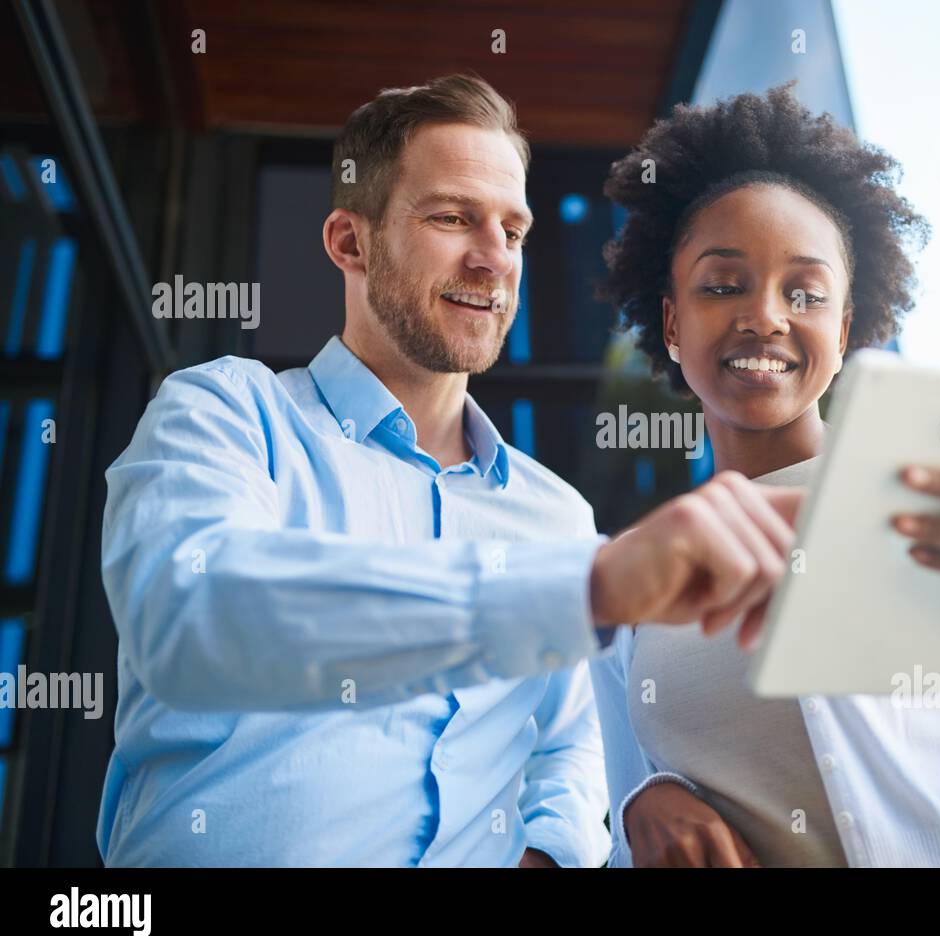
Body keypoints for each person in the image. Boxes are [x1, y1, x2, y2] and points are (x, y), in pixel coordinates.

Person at [96, 75, 801, 867]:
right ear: (349, 241)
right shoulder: (227, 412)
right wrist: (583, 589)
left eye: (514, 229)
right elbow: (192, 614)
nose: (494, 259)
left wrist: (548, 852)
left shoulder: (558, 518)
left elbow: (567, 750)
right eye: (452, 218)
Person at [590, 83, 940, 867]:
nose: (766, 316)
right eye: (722, 284)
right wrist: (643, 804)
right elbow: (619, 829)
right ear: (672, 322)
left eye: (804, 291)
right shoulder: (635, 582)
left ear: (842, 331)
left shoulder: (938, 504)